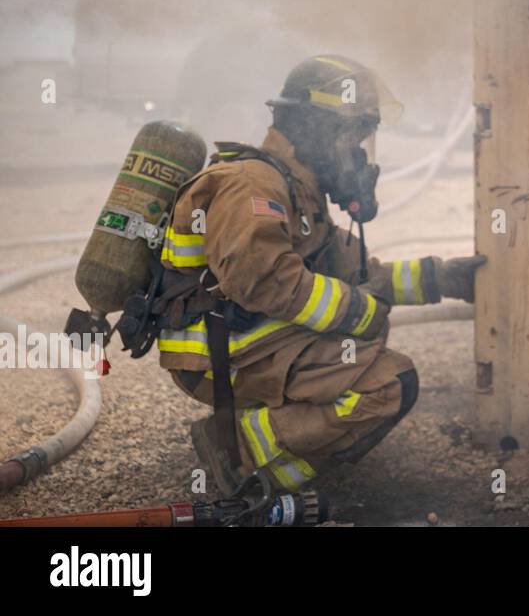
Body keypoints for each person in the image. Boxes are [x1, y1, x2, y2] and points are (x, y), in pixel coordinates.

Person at [156, 54, 483, 495]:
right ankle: (240, 450)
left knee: (369, 342)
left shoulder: (298, 189)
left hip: (248, 340)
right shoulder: (253, 185)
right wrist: (359, 312)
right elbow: (266, 280)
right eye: (351, 137)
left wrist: (441, 279)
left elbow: (355, 272)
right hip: (222, 353)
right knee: (387, 383)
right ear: (317, 127)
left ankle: (274, 453)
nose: (358, 154)